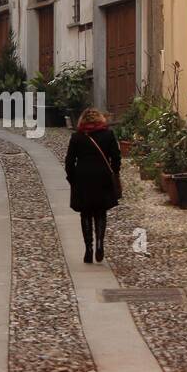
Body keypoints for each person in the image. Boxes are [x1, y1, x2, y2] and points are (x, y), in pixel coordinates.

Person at [64, 107, 122, 264]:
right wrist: (115, 173)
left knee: (85, 213)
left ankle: (88, 249)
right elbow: (116, 157)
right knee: (100, 212)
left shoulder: (77, 137)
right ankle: (99, 244)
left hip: (82, 178)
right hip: (102, 177)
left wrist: (72, 178)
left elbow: (69, 161)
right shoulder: (108, 135)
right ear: (100, 120)